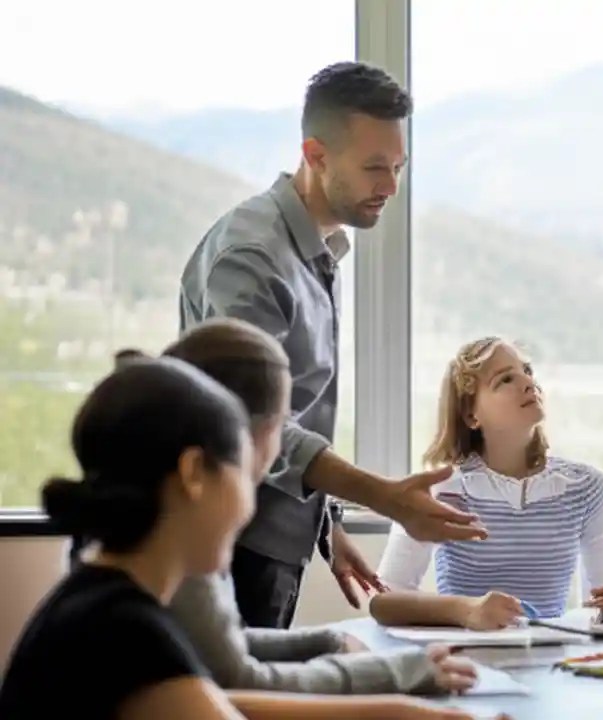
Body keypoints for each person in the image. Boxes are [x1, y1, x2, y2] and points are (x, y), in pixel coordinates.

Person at [0, 358, 485, 719]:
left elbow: (219, 701)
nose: (252, 503)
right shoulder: (123, 629)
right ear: (194, 474)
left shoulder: (108, 602)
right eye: (247, 474)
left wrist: (394, 709)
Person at [179, 60, 484, 630]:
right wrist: (387, 498)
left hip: (275, 537)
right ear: (316, 156)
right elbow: (251, 419)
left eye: (398, 167)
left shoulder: (318, 251)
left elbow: (296, 407)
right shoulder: (251, 258)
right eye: (374, 168)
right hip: (231, 544)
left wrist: (325, 523)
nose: (391, 187)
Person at [141, 317, 470, 695]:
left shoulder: (172, 540)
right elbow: (236, 682)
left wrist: (332, 643)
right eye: (281, 427)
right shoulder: (168, 560)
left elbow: (227, 645)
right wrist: (393, 680)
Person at [371, 336, 603, 625]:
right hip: (464, 662)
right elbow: (383, 601)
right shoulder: (442, 489)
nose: (529, 383)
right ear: (470, 415)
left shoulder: (588, 488)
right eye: (505, 380)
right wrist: (466, 611)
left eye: (527, 371)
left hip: (550, 658)